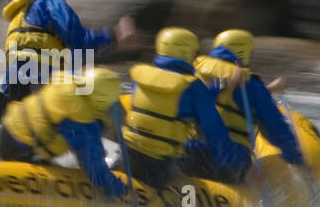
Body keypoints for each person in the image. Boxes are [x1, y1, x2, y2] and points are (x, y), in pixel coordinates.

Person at [122, 27, 249, 189]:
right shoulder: (193, 88)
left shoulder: (139, 80)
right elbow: (215, 132)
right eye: (195, 53)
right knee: (190, 168)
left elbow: (179, 100)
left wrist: (220, 85)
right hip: (159, 166)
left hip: (129, 154)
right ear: (186, 53)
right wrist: (235, 166)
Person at [185, 29, 307, 183]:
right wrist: (298, 161)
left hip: (191, 153)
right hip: (228, 161)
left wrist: (267, 90)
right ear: (243, 52)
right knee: (255, 176)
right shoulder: (250, 84)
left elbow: (215, 93)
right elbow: (275, 128)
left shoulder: (196, 72)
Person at [1, 0, 135, 101]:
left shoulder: (19, 12)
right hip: (40, 82)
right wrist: (114, 35)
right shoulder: (51, 3)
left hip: (12, 83)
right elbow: (80, 42)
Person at [0, 68, 127, 200]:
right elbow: (94, 169)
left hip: (7, 128)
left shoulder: (65, 81)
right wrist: (119, 188)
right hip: (21, 150)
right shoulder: (83, 121)